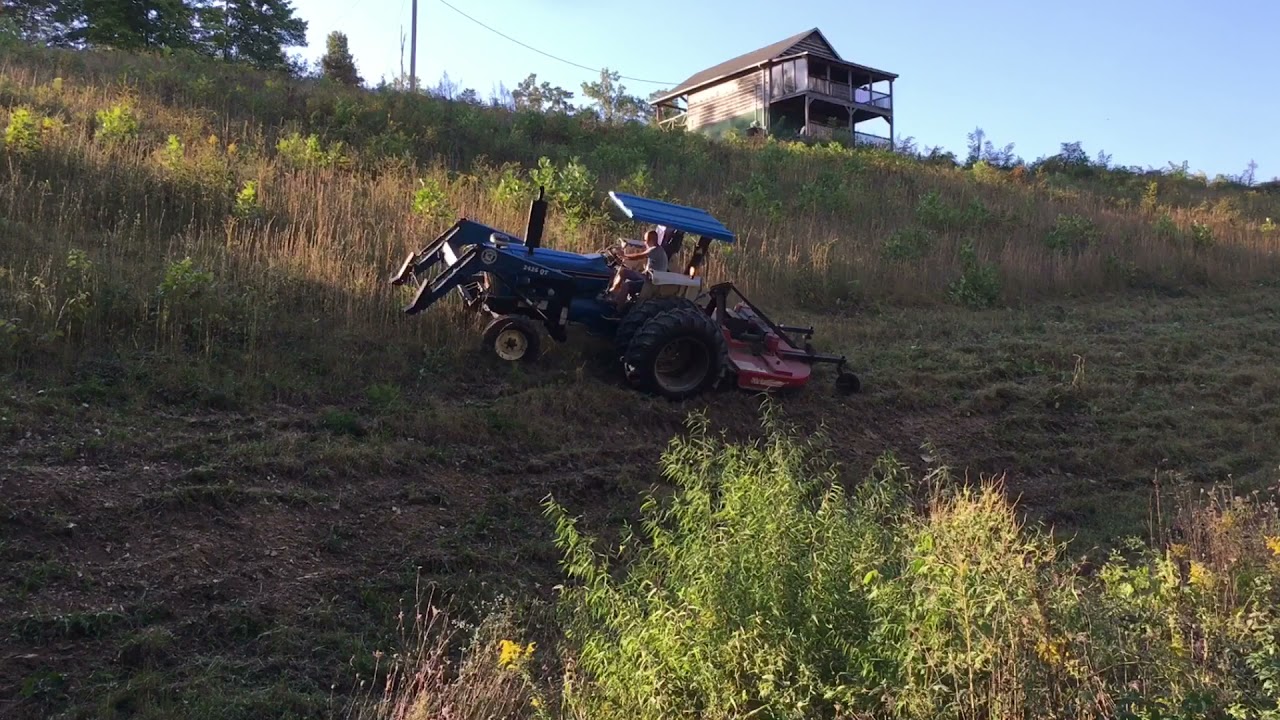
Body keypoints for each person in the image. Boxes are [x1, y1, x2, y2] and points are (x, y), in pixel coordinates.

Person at [606, 228, 668, 307]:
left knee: (626, 285)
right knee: (623, 271)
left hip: (650, 282)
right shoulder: (656, 250)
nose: (644, 242)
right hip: (646, 276)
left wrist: (624, 256)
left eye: (646, 240)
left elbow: (638, 256)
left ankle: (617, 309)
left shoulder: (654, 250)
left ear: (652, 240)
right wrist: (623, 257)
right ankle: (613, 292)